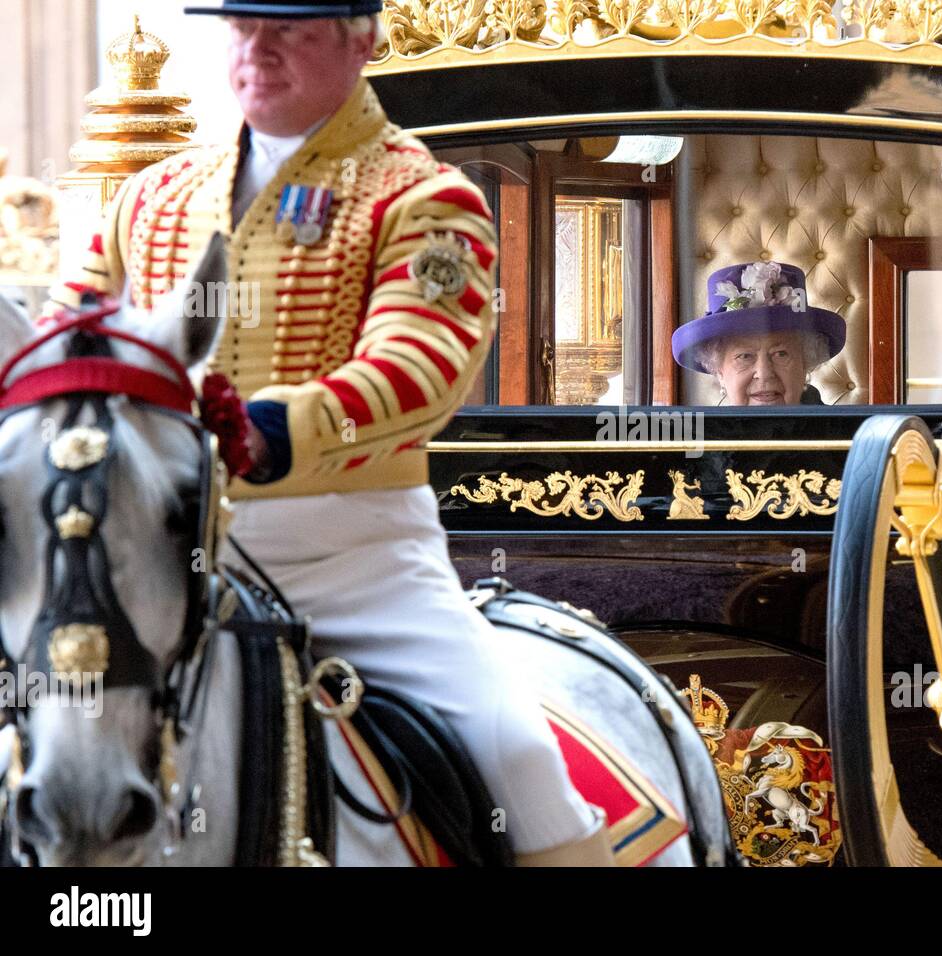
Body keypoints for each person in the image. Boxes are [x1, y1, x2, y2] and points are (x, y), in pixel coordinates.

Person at [43, 0, 611, 865]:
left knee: (518, 756)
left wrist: (272, 429)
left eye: (292, 28)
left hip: (356, 567)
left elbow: (421, 364)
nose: (258, 48)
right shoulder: (149, 198)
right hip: (155, 561)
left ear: (361, 40)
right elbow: (65, 343)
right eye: (243, 26)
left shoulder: (424, 196)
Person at [672, 260, 846, 406]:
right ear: (720, 373)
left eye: (781, 354)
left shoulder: (842, 437)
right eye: (745, 356)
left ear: (805, 364)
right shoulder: (698, 440)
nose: (764, 373)